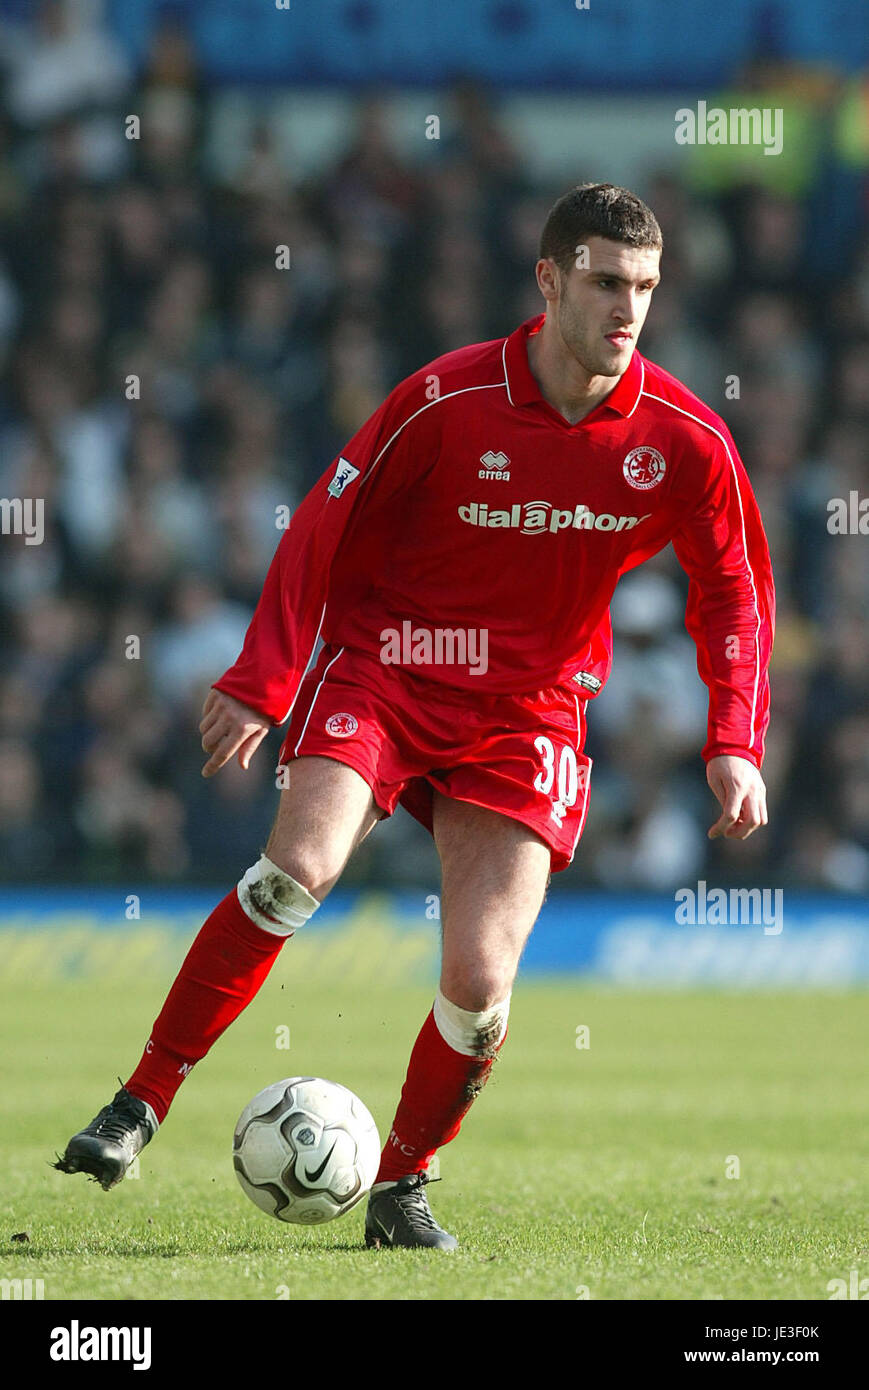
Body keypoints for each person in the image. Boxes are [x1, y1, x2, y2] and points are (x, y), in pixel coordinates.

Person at [55, 183, 775, 1251]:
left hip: (528, 708)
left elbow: (733, 588)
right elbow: (321, 524)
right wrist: (263, 674)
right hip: (388, 667)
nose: (626, 308)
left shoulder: (681, 438)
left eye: (643, 287)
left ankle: (399, 1189)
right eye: (604, 282)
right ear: (546, 281)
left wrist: (733, 741)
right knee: (294, 868)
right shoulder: (445, 399)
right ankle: (139, 1102)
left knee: (480, 984)